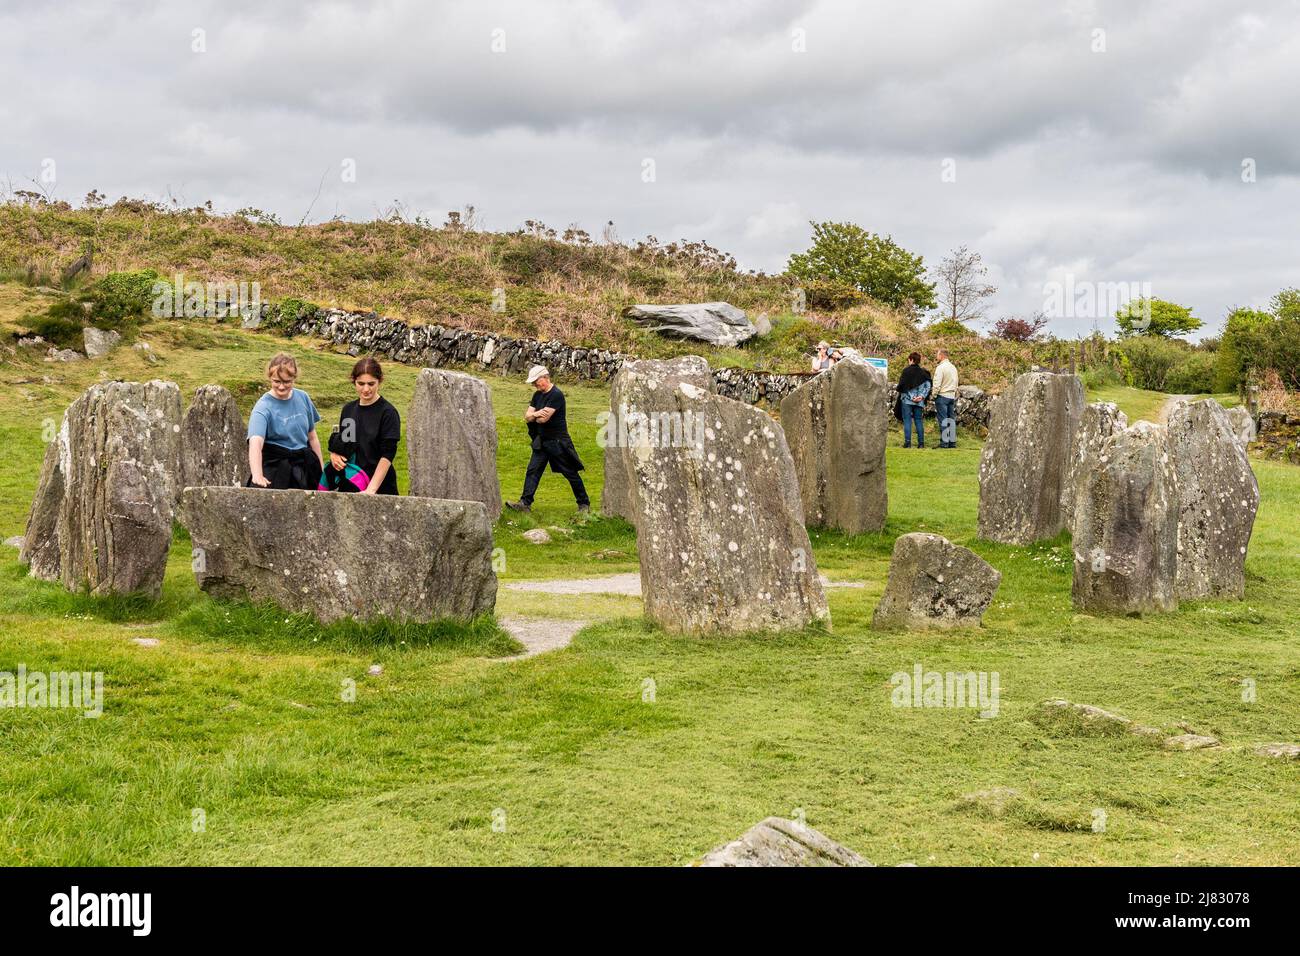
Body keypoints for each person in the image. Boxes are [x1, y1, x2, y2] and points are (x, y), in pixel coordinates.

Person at [505, 365, 590, 515]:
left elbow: (542, 420)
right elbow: (527, 416)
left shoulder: (556, 395)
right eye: (534, 382)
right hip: (542, 441)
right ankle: (525, 503)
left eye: (536, 381)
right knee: (533, 470)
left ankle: (584, 504)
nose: (535, 385)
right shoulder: (537, 395)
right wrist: (537, 414)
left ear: (545, 377)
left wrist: (534, 416)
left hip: (558, 442)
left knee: (570, 472)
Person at [322, 356, 402, 495]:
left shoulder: (388, 413)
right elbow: (347, 445)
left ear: (380, 381)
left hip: (380, 488)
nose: (366, 389)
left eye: (371, 384)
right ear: (354, 381)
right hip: (351, 483)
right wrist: (335, 454)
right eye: (361, 383)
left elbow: (387, 455)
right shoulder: (349, 410)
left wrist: (371, 489)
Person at [248, 352, 324, 489]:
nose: (281, 387)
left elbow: (312, 438)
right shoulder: (262, 407)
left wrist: (321, 470)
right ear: (270, 378)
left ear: (294, 378)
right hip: (275, 470)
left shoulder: (303, 397)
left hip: (304, 468)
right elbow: (256, 443)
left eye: (287, 382)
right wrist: (257, 475)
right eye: (277, 381)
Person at [894, 352, 931, 449]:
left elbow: (903, 387)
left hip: (907, 401)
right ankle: (921, 443)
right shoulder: (924, 373)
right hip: (919, 401)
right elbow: (928, 386)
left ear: (911, 359)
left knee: (907, 421)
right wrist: (921, 397)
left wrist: (912, 398)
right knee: (918, 421)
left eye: (909, 359)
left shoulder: (906, 371)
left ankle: (907, 443)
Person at [932, 348, 960, 449]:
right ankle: (952, 442)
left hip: (942, 395)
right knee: (951, 420)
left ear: (942, 356)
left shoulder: (940, 368)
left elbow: (937, 383)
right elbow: (956, 382)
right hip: (951, 396)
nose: (936, 356)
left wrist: (934, 394)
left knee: (943, 420)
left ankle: (944, 443)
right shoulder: (953, 367)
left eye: (937, 354)